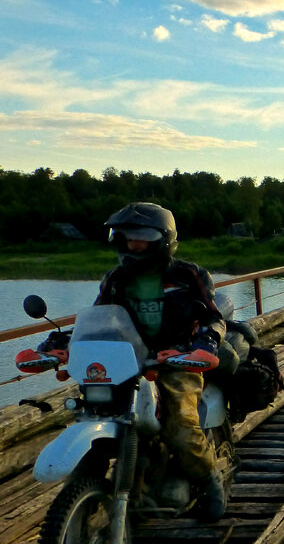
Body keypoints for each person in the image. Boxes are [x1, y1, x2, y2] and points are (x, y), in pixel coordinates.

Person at [93, 202, 229, 520]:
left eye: (142, 236)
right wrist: (61, 343)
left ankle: (211, 482)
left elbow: (211, 316)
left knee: (181, 429)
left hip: (177, 361)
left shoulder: (187, 275)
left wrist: (204, 344)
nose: (134, 243)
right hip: (127, 363)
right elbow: (99, 316)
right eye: (127, 236)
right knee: (98, 414)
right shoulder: (116, 279)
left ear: (163, 239)